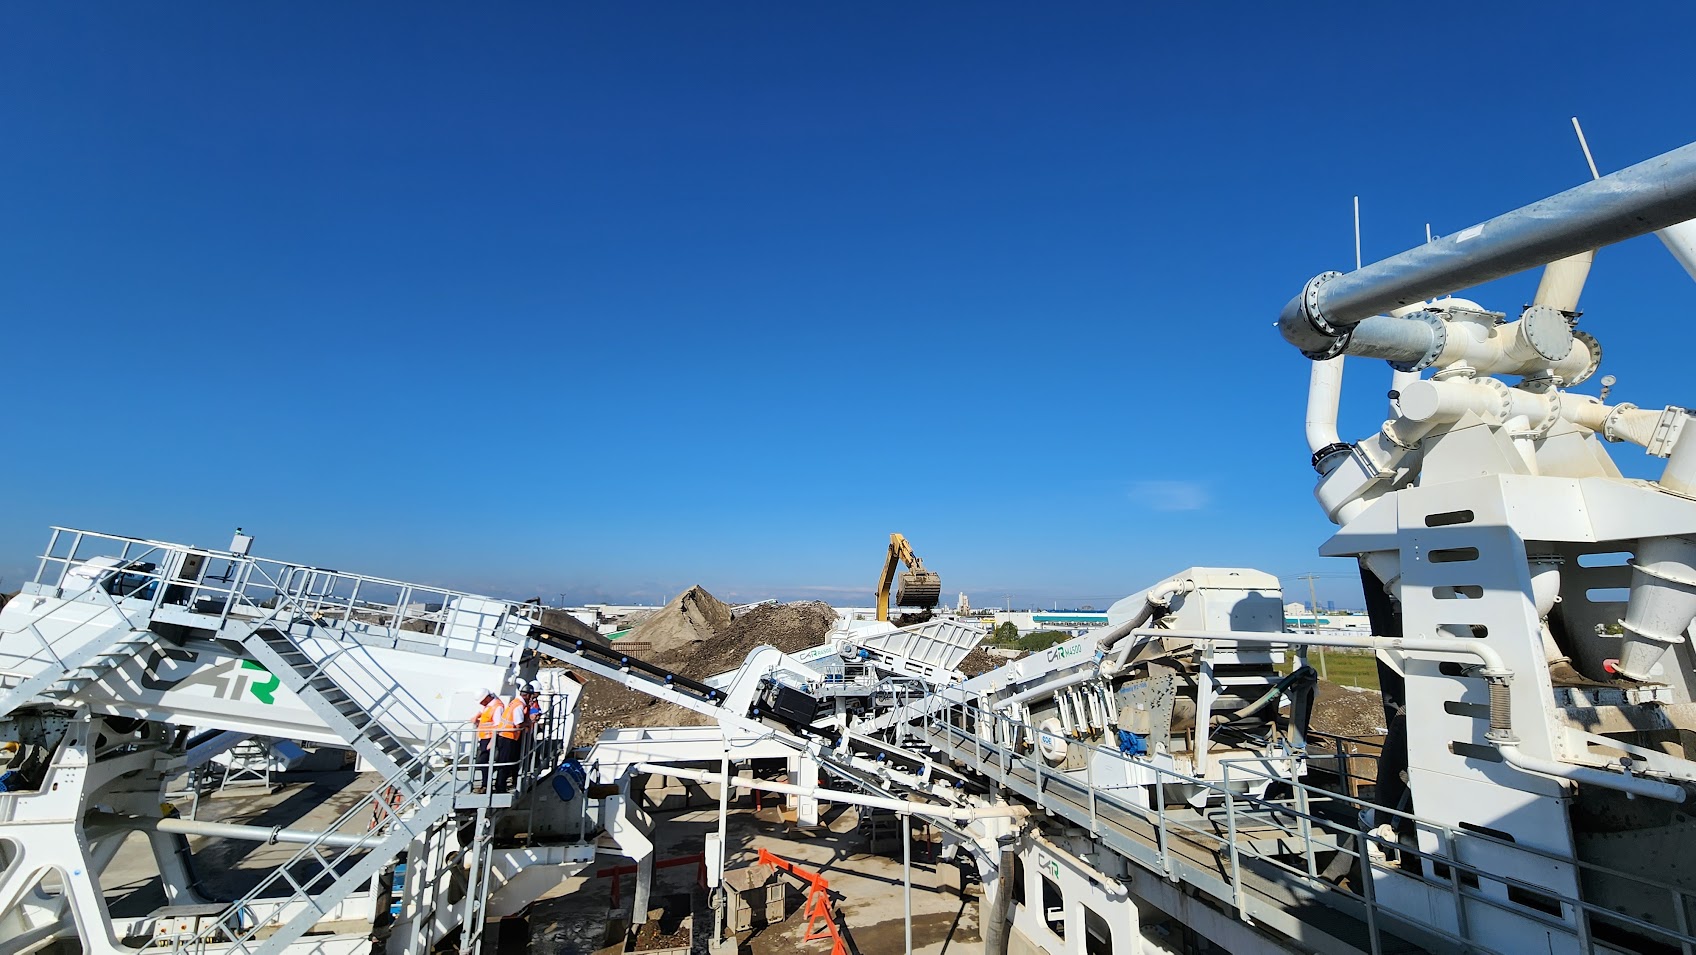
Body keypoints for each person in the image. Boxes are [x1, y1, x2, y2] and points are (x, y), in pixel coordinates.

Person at [495, 686, 531, 793]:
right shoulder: (519, 706)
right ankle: (500, 787)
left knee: (505, 763)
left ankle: (501, 785)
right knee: (505, 764)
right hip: (508, 737)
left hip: (505, 736)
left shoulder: (514, 703)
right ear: (527, 695)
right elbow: (518, 723)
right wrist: (529, 723)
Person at [471, 689, 502, 794]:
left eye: (482, 700)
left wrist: (492, 741)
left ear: (487, 697)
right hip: (484, 737)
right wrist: (476, 716)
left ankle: (486, 785)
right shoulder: (489, 705)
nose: (481, 703)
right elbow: (483, 711)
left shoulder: (497, 707)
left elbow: (497, 726)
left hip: (490, 739)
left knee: (483, 762)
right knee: (483, 762)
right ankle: (485, 784)